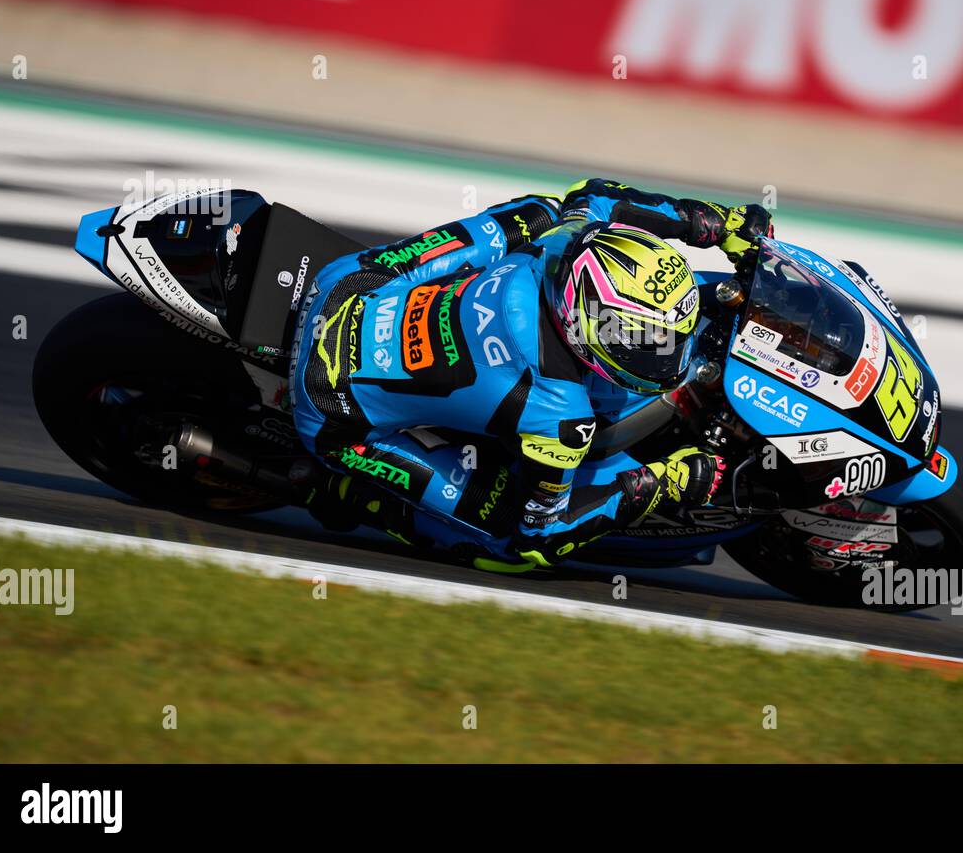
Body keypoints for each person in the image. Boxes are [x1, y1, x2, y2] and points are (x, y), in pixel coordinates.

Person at [288, 178, 771, 570]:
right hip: (333, 406)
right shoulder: (560, 411)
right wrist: (664, 482)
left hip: (349, 283)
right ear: (587, 318)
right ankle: (342, 491)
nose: (664, 356)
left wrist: (713, 225)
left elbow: (596, 196)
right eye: (641, 340)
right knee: (513, 546)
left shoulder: (562, 239)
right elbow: (545, 532)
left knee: (537, 212)